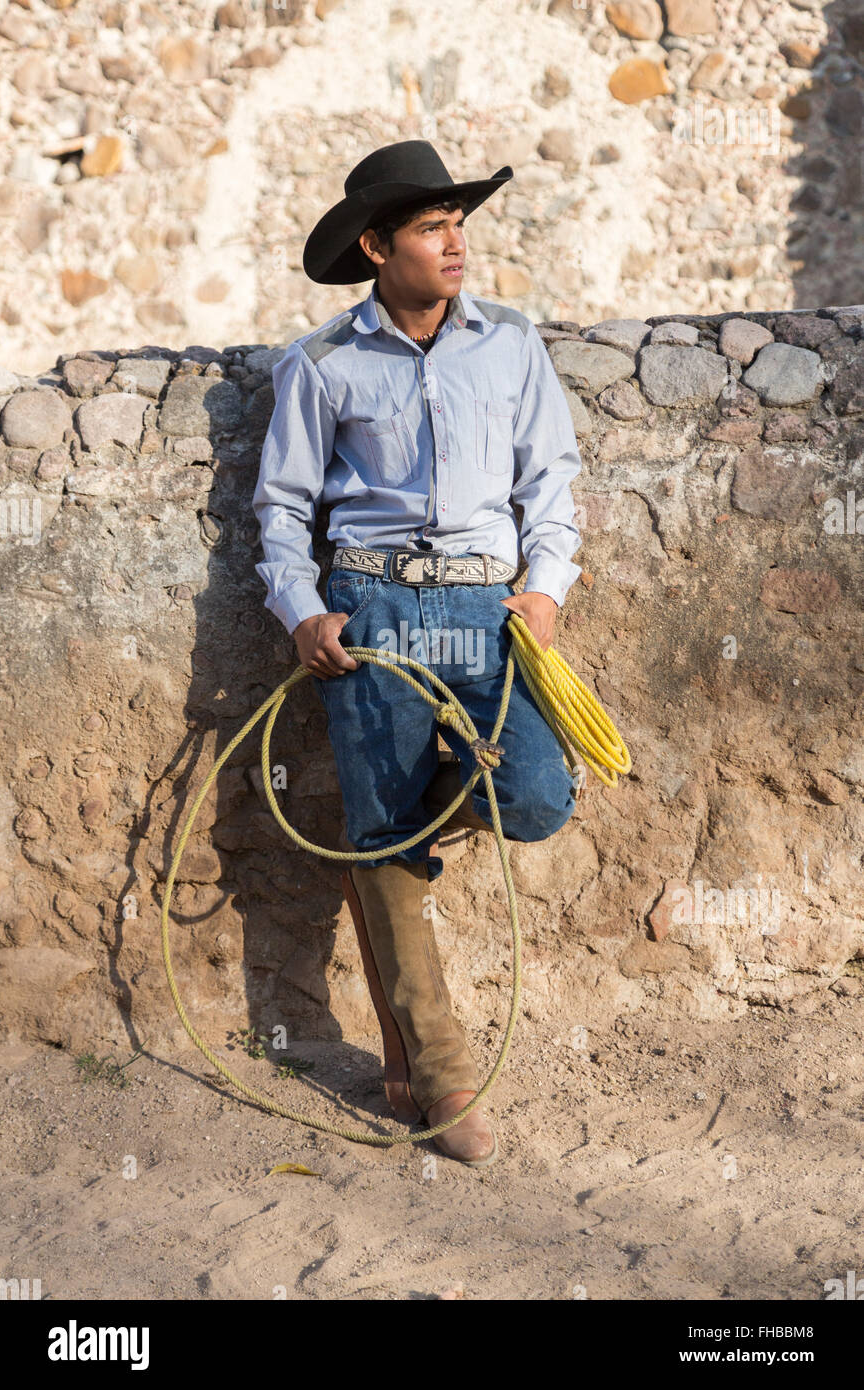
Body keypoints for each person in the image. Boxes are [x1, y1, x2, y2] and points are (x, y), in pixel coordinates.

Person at [252, 140, 583, 1167]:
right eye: (432, 228)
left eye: (458, 224)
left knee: (533, 794)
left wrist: (545, 587)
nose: (455, 244)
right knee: (381, 828)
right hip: (371, 605)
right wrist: (304, 613)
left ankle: (394, 842)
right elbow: (282, 507)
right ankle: (437, 1073)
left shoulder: (512, 345)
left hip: (487, 614)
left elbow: (553, 480)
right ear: (374, 246)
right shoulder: (321, 364)